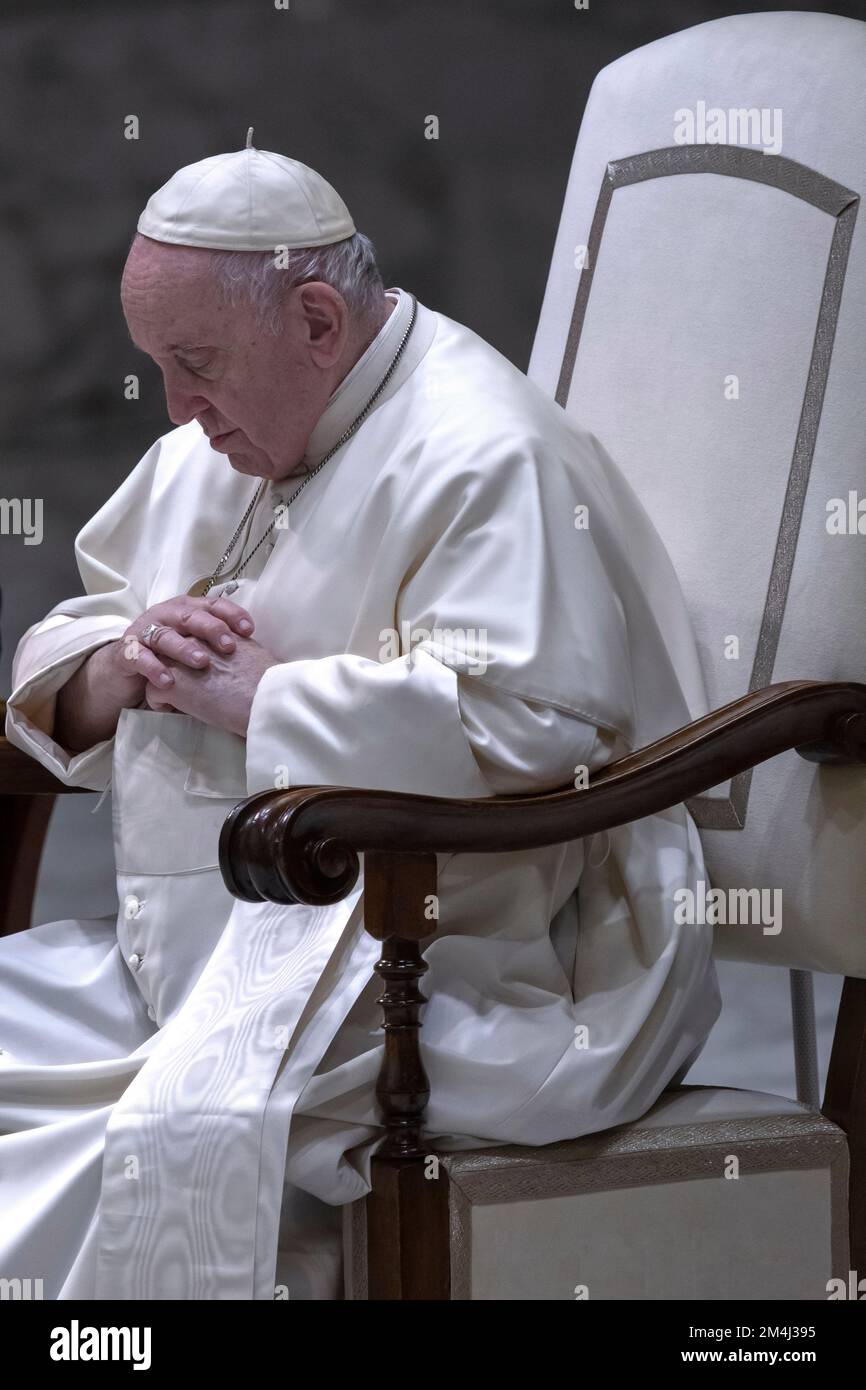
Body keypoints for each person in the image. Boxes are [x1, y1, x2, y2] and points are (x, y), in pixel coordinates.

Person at [1, 138, 721, 1300]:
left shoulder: (486, 453)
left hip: (459, 970)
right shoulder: (220, 442)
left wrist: (266, 702)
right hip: (206, 954)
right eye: (158, 369)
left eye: (195, 364)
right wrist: (120, 662)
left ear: (319, 321)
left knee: (113, 1155)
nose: (179, 411)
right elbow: (73, 629)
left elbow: (536, 731)